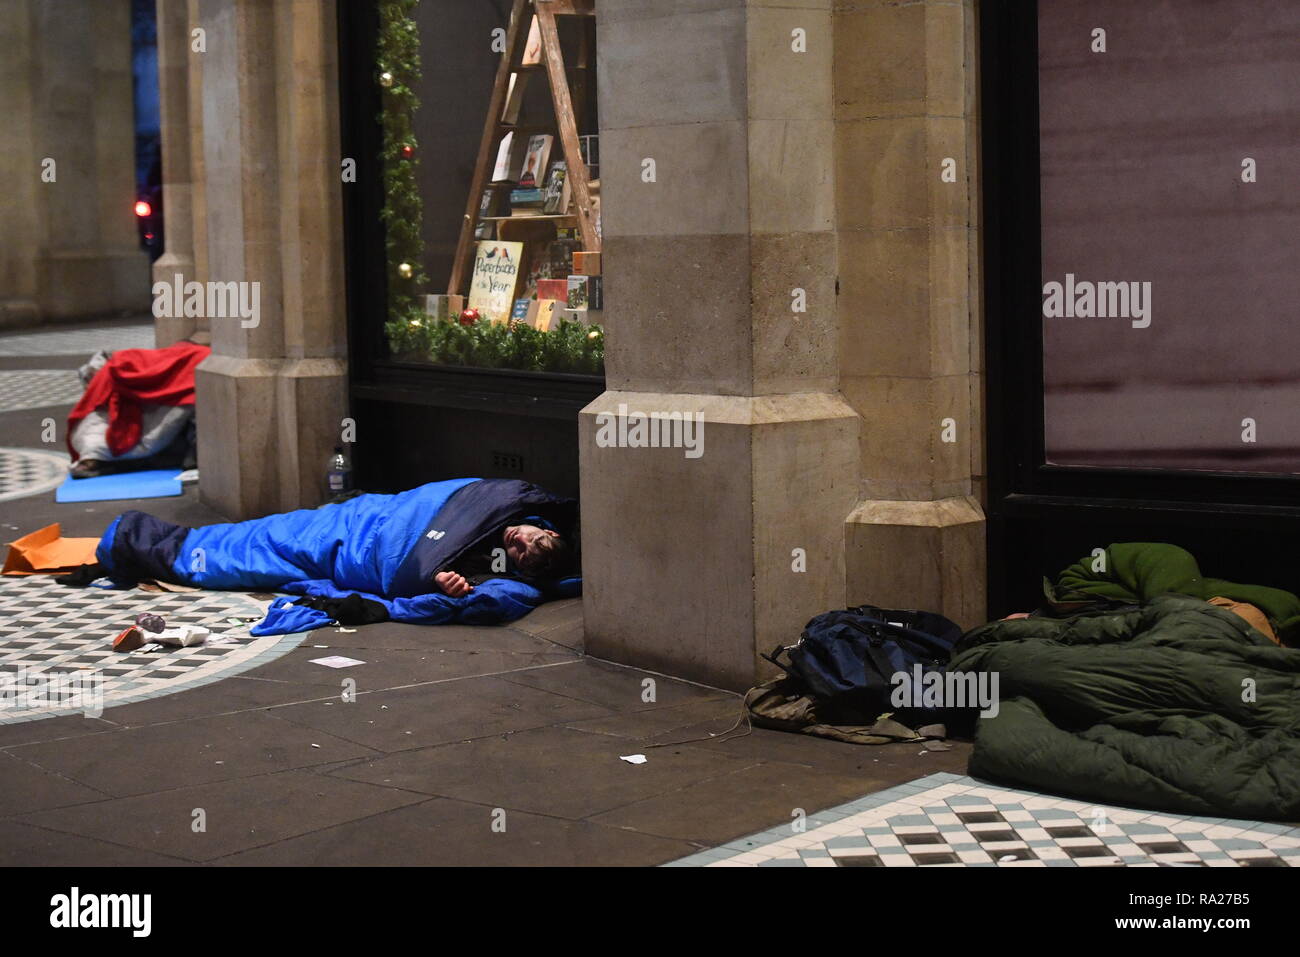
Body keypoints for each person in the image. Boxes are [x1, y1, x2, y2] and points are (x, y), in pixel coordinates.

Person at [432, 521, 574, 597]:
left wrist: (440, 575)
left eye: (521, 553)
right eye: (533, 538)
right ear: (550, 532)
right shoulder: (527, 504)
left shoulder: (487, 564)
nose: (518, 538)